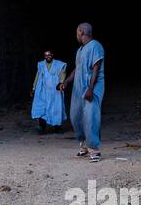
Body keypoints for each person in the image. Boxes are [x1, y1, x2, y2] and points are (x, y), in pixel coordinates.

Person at [59, 22, 105, 161]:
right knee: (76, 116)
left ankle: (94, 150)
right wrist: (66, 81)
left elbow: (96, 68)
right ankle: (83, 146)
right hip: (78, 88)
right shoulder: (80, 50)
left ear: (81, 31)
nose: (76, 35)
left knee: (91, 118)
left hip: (91, 87)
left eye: (76, 32)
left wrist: (91, 89)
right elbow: (77, 69)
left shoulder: (95, 45)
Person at [29, 50, 66, 134]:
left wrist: (61, 83)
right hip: (43, 91)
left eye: (49, 55)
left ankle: (57, 128)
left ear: (52, 55)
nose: (47, 57)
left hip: (55, 92)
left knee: (56, 108)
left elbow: (62, 73)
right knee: (42, 108)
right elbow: (37, 76)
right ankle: (42, 127)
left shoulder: (58, 64)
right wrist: (34, 88)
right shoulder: (41, 64)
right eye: (46, 55)